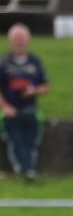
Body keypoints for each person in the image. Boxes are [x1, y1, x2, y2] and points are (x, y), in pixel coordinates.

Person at [0, 23, 49, 181]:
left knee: (31, 142)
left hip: (31, 110)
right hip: (10, 112)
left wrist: (34, 91)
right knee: (16, 141)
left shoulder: (35, 62)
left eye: (22, 39)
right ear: (10, 41)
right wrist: (5, 106)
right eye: (16, 39)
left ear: (28, 40)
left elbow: (45, 86)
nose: (19, 42)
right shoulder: (4, 63)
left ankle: (29, 171)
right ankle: (23, 171)